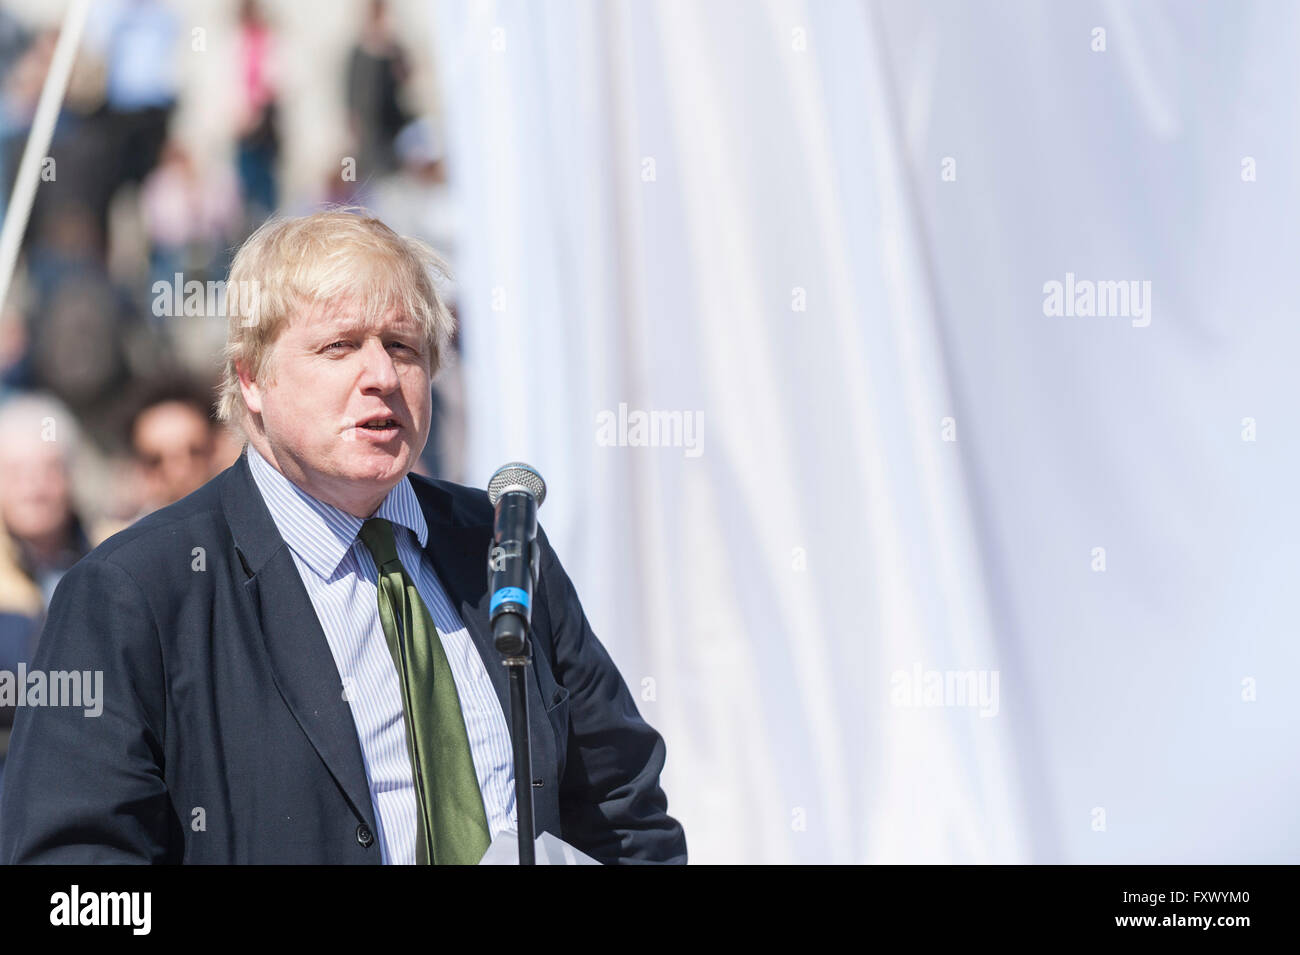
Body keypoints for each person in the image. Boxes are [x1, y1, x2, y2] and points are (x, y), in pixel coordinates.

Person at [0, 209, 686, 864]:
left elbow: (625, 816)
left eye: (402, 347)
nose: (382, 377)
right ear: (252, 378)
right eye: (339, 346)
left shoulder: (501, 547)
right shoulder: (135, 593)